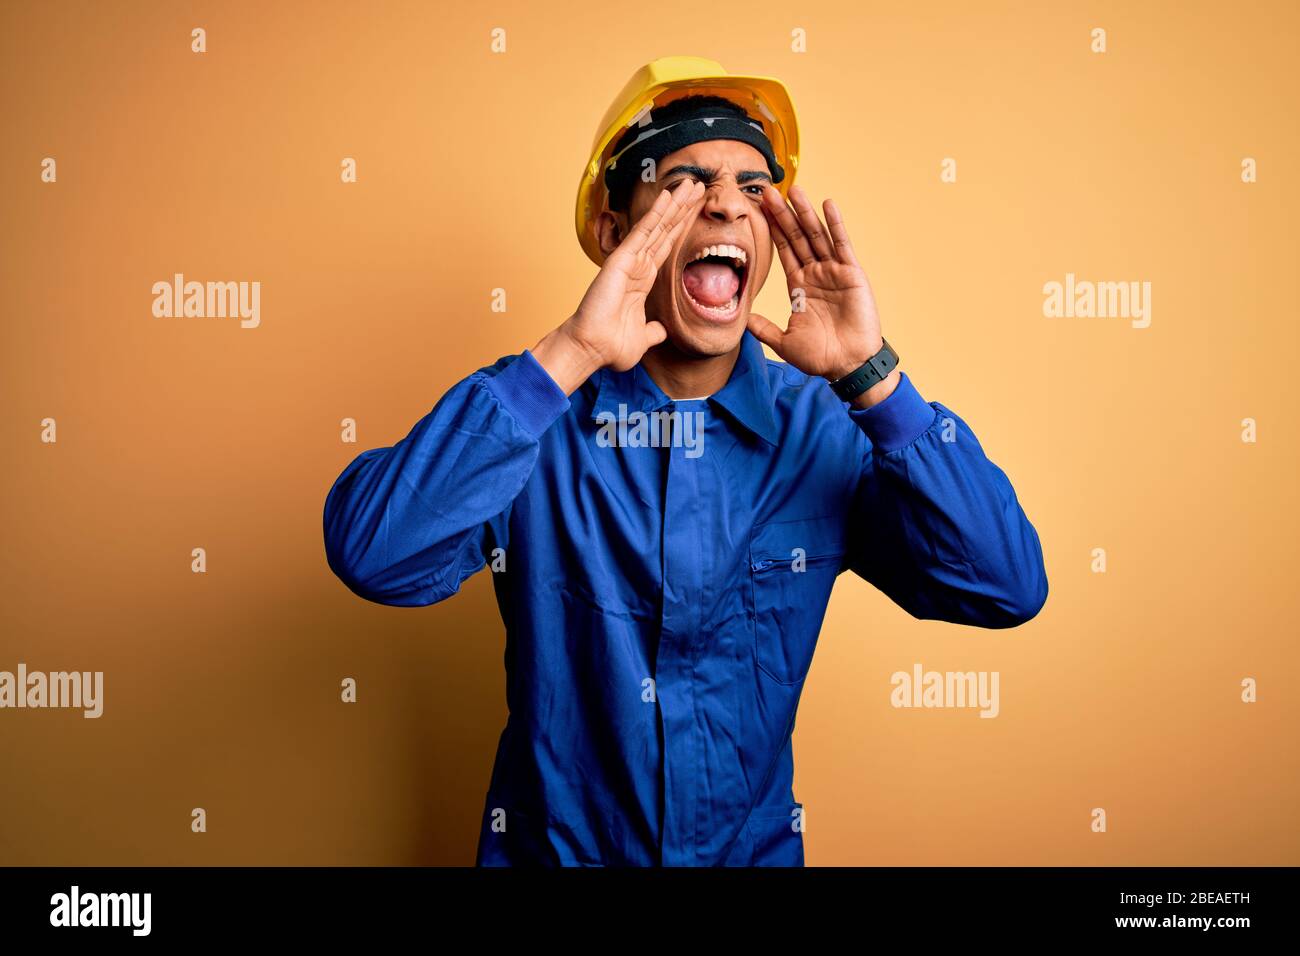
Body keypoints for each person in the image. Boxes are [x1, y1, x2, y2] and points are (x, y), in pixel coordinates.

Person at [322, 57, 1048, 866]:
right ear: (612, 234)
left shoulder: (823, 429)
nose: (729, 205)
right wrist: (568, 353)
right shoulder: (534, 414)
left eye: (754, 187)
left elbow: (1006, 586)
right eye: (685, 184)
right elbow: (374, 553)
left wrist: (872, 376)